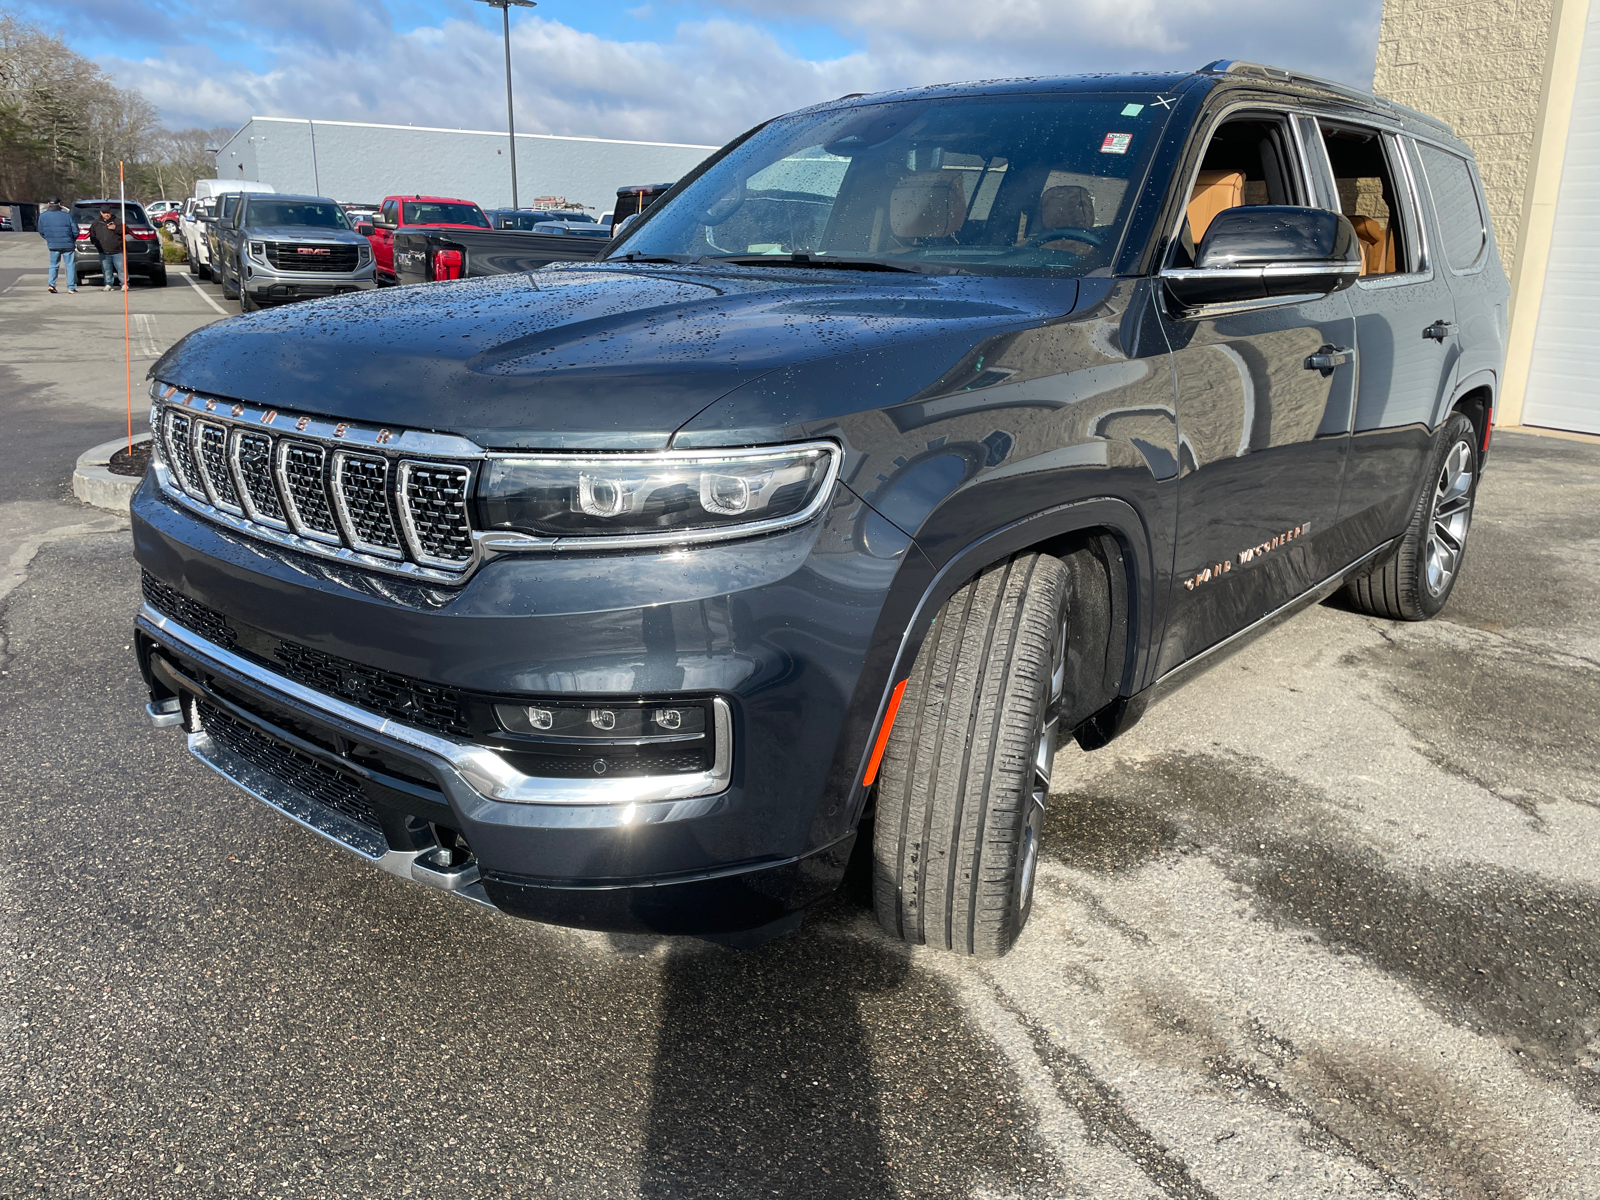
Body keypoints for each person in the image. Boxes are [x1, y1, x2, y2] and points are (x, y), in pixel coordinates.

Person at [37, 198, 78, 294]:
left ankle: (51, 284)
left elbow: (41, 230)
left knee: (53, 265)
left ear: (48, 203)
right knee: (70, 265)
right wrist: (72, 239)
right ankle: (71, 287)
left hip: (53, 244)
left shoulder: (43, 216)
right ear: (59, 204)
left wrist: (49, 239)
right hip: (68, 243)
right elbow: (75, 230)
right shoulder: (67, 215)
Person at [89, 206, 126, 291]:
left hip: (118, 250)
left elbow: (126, 230)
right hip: (103, 251)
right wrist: (95, 243)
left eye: (108, 213)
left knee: (121, 269)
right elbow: (92, 234)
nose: (106, 215)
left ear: (111, 212)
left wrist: (115, 228)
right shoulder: (96, 223)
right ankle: (108, 284)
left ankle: (124, 284)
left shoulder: (117, 221)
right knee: (106, 269)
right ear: (101, 213)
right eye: (104, 213)